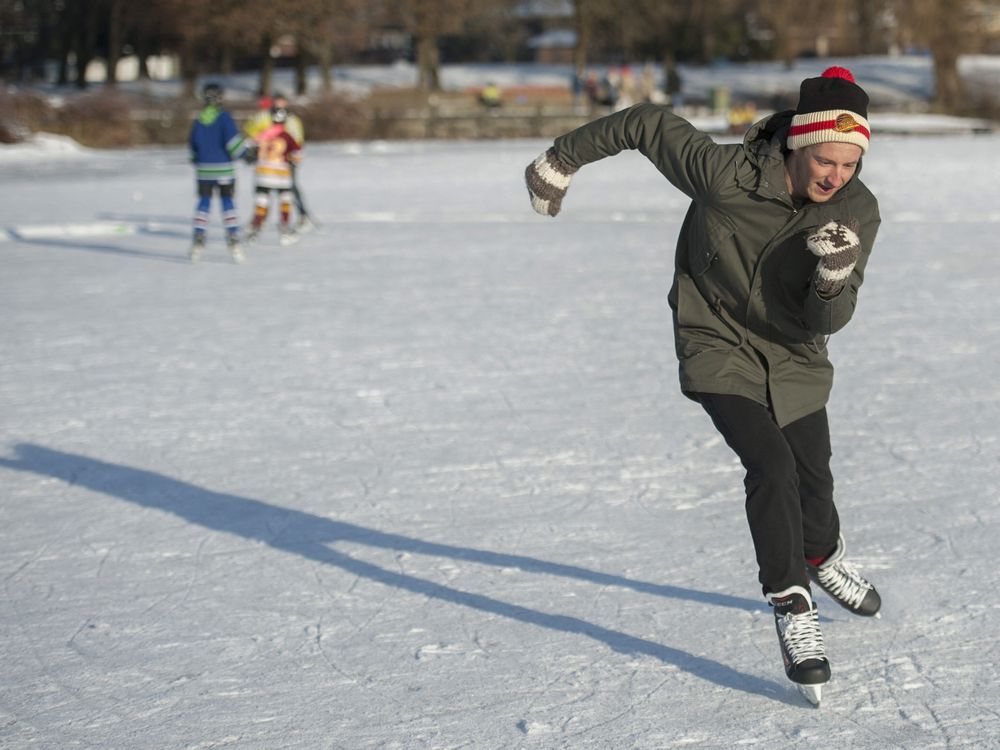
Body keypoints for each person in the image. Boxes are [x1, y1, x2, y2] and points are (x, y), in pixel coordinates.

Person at [524, 66, 882, 705]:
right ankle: (792, 603)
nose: (836, 177)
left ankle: (824, 556)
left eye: (850, 165)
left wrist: (832, 278)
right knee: (771, 466)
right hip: (715, 343)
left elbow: (831, 320)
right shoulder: (725, 175)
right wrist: (560, 159)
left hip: (794, 355)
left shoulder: (858, 211)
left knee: (814, 479)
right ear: (797, 144)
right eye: (826, 161)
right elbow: (646, 123)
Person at [187, 82, 248, 262]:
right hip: (223, 169)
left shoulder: (199, 119)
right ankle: (233, 238)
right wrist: (245, 154)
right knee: (227, 202)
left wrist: (197, 158)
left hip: (204, 171)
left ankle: (199, 236)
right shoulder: (224, 118)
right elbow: (232, 143)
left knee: (204, 202)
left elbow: (193, 145)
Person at [244, 93, 313, 233]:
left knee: (276, 192)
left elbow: (297, 139)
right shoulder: (265, 117)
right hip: (276, 164)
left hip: (275, 165)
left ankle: (299, 216)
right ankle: (272, 222)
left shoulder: (291, 120)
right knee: (276, 194)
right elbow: (251, 132)